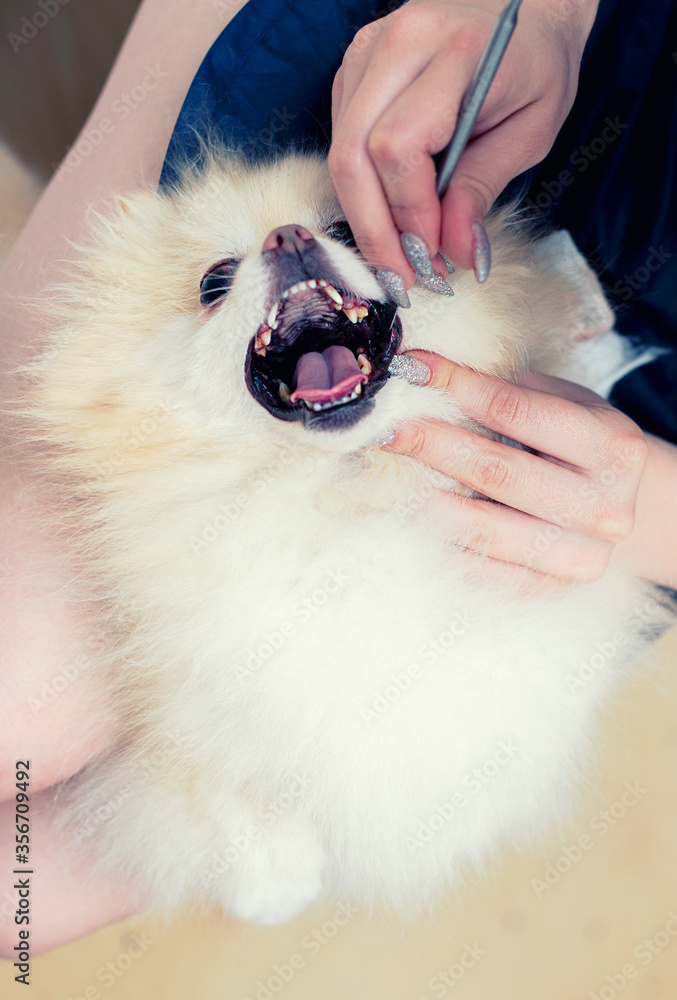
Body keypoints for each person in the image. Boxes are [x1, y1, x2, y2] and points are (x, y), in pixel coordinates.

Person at [0, 0, 675, 957]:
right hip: (400, 94)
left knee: (39, 888)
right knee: (21, 701)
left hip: (623, 426)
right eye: (217, 284)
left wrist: (651, 504)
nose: (284, 250)